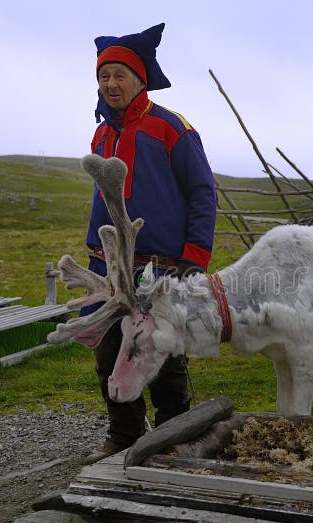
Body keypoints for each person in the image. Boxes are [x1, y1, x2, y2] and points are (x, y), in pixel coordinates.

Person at [82, 23, 217, 463]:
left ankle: (175, 435)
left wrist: (194, 257)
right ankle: (123, 437)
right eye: (104, 76)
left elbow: (202, 193)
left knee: (163, 355)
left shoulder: (171, 128)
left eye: (120, 75)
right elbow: (103, 199)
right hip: (111, 267)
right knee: (109, 353)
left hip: (162, 266)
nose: (110, 84)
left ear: (140, 80)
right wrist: (94, 254)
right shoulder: (102, 134)